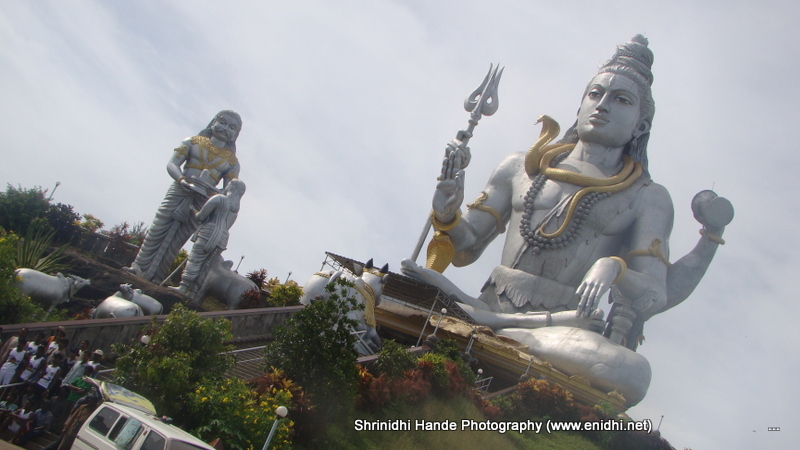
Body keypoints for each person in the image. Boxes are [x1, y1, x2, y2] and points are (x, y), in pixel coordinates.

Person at [401, 36, 730, 403]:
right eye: (595, 94)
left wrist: (615, 268)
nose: (602, 105)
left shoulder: (646, 197)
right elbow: (463, 248)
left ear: (640, 125)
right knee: (368, 284)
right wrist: (447, 210)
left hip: (558, 328)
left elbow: (654, 293)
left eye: (621, 100)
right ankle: (484, 326)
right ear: (581, 103)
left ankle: (487, 332)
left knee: (631, 372)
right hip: (484, 302)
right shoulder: (520, 167)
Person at [129, 110, 243, 284]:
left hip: (202, 201)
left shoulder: (232, 162)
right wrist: (182, 179)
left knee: (177, 240)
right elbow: (172, 164)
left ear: (235, 134)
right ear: (213, 123)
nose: (225, 128)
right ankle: (138, 267)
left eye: (232, 127)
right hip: (180, 190)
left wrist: (214, 193)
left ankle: (157, 277)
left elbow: (229, 189)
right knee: (157, 229)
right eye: (222, 122)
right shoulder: (192, 142)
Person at [179, 178, 246, 301]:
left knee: (195, 259)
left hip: (208, 232)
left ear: (231, 187)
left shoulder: (219, 199)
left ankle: (183, 287)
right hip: (222, 239)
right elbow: (228, 226)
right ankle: (193, 293)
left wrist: (193, 209)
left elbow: (201, 216)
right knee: (207, 266)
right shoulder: (235, 210)